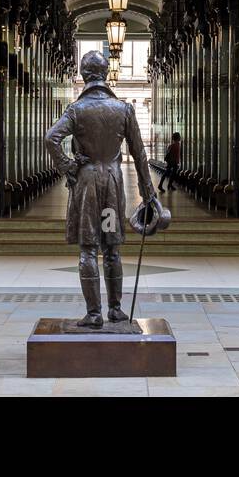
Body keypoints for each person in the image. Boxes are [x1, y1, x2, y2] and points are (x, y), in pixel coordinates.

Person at [44, 50, 156, 329]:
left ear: (84, 76)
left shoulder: (76, 110)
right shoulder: (124, 109)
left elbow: (51, 138)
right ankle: (116, 310)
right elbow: (140, 154)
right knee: (112, 247)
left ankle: (94, 313)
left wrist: (68, 166)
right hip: (113, 182)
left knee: (88, 249)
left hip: (86, 182)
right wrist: (149, 193)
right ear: (105, 75)